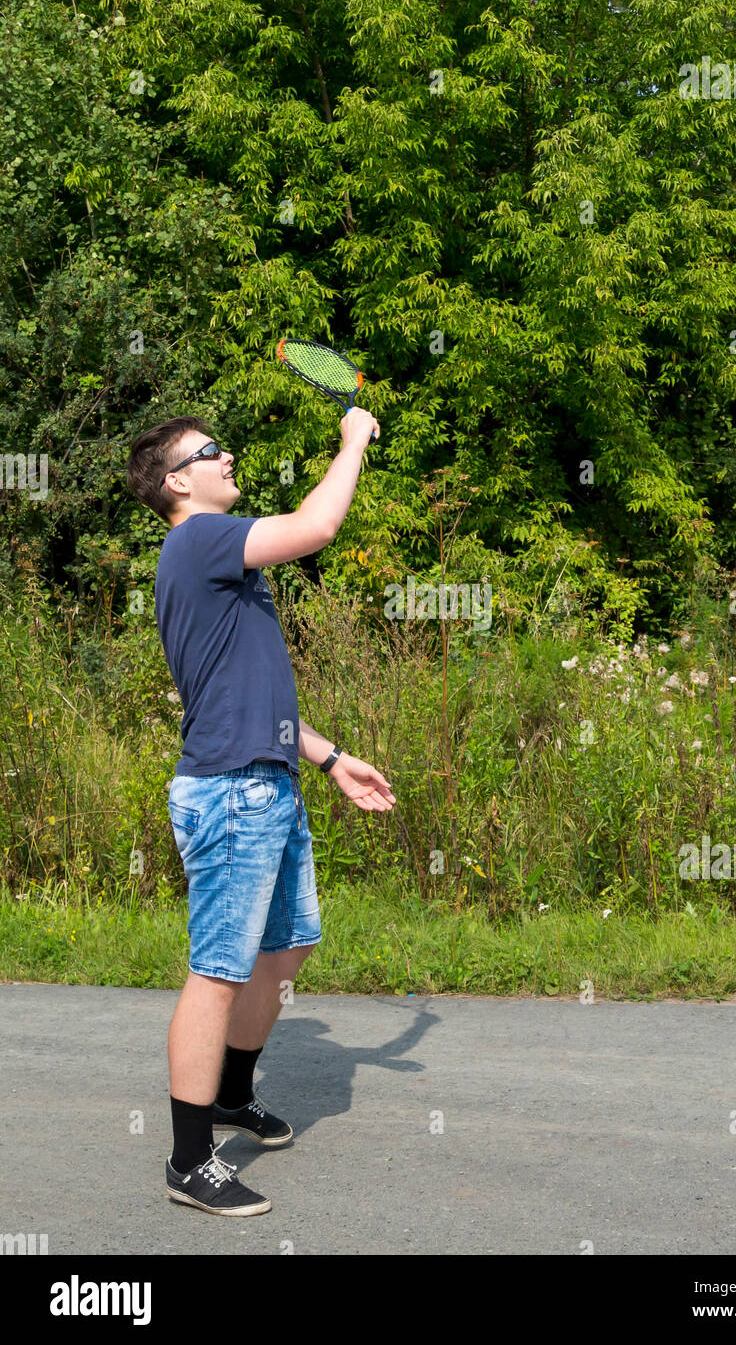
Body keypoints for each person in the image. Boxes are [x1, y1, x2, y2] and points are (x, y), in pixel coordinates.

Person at [125, 405, 395, 1216]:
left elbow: (254, 695)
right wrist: (352, 443)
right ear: (178, 481)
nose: (228, 454)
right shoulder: (197, 537)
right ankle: (187, 1160)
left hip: (268, 781)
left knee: (288, 946)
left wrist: (331, 758)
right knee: (217, 972)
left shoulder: (221, 565)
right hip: (231, 793)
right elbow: (316, 525)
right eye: (212, 451)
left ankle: (233, 1094)